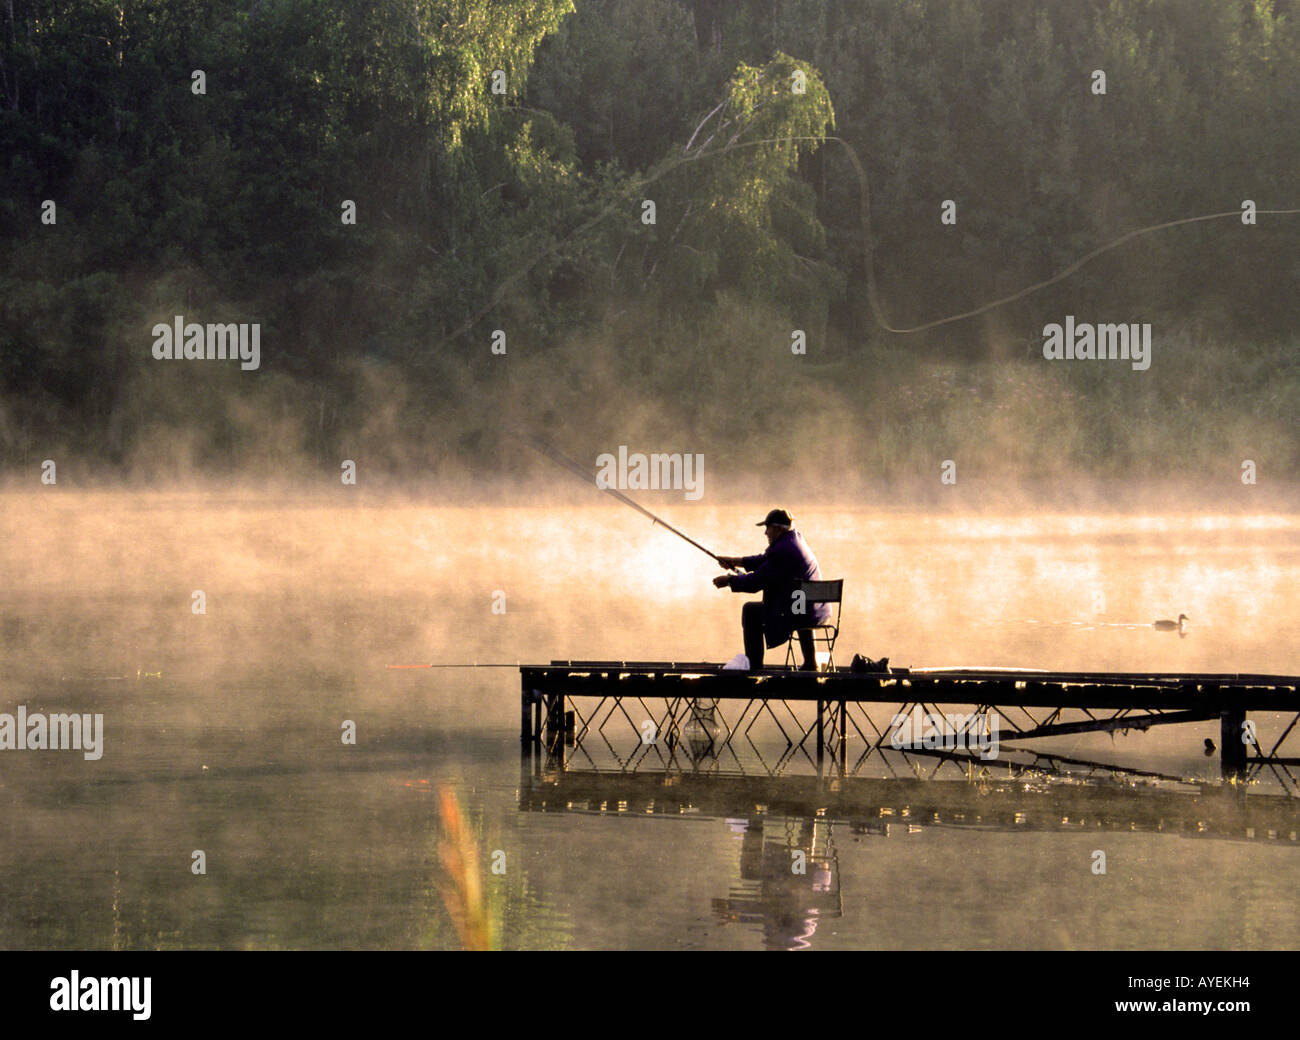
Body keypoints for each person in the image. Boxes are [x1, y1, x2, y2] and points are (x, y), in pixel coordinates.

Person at [713, 509, 830, 669]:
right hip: (814, 609)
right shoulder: (793, 540)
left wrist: (729, 581)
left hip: (800, 611)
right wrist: (735, 561)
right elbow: (765, 560)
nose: (765, 533)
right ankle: (811, 662)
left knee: (751, 611)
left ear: (779, 529)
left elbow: (756, 582)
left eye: (768, 528)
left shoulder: (784, 550)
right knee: (801, 605)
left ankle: (754, 665)